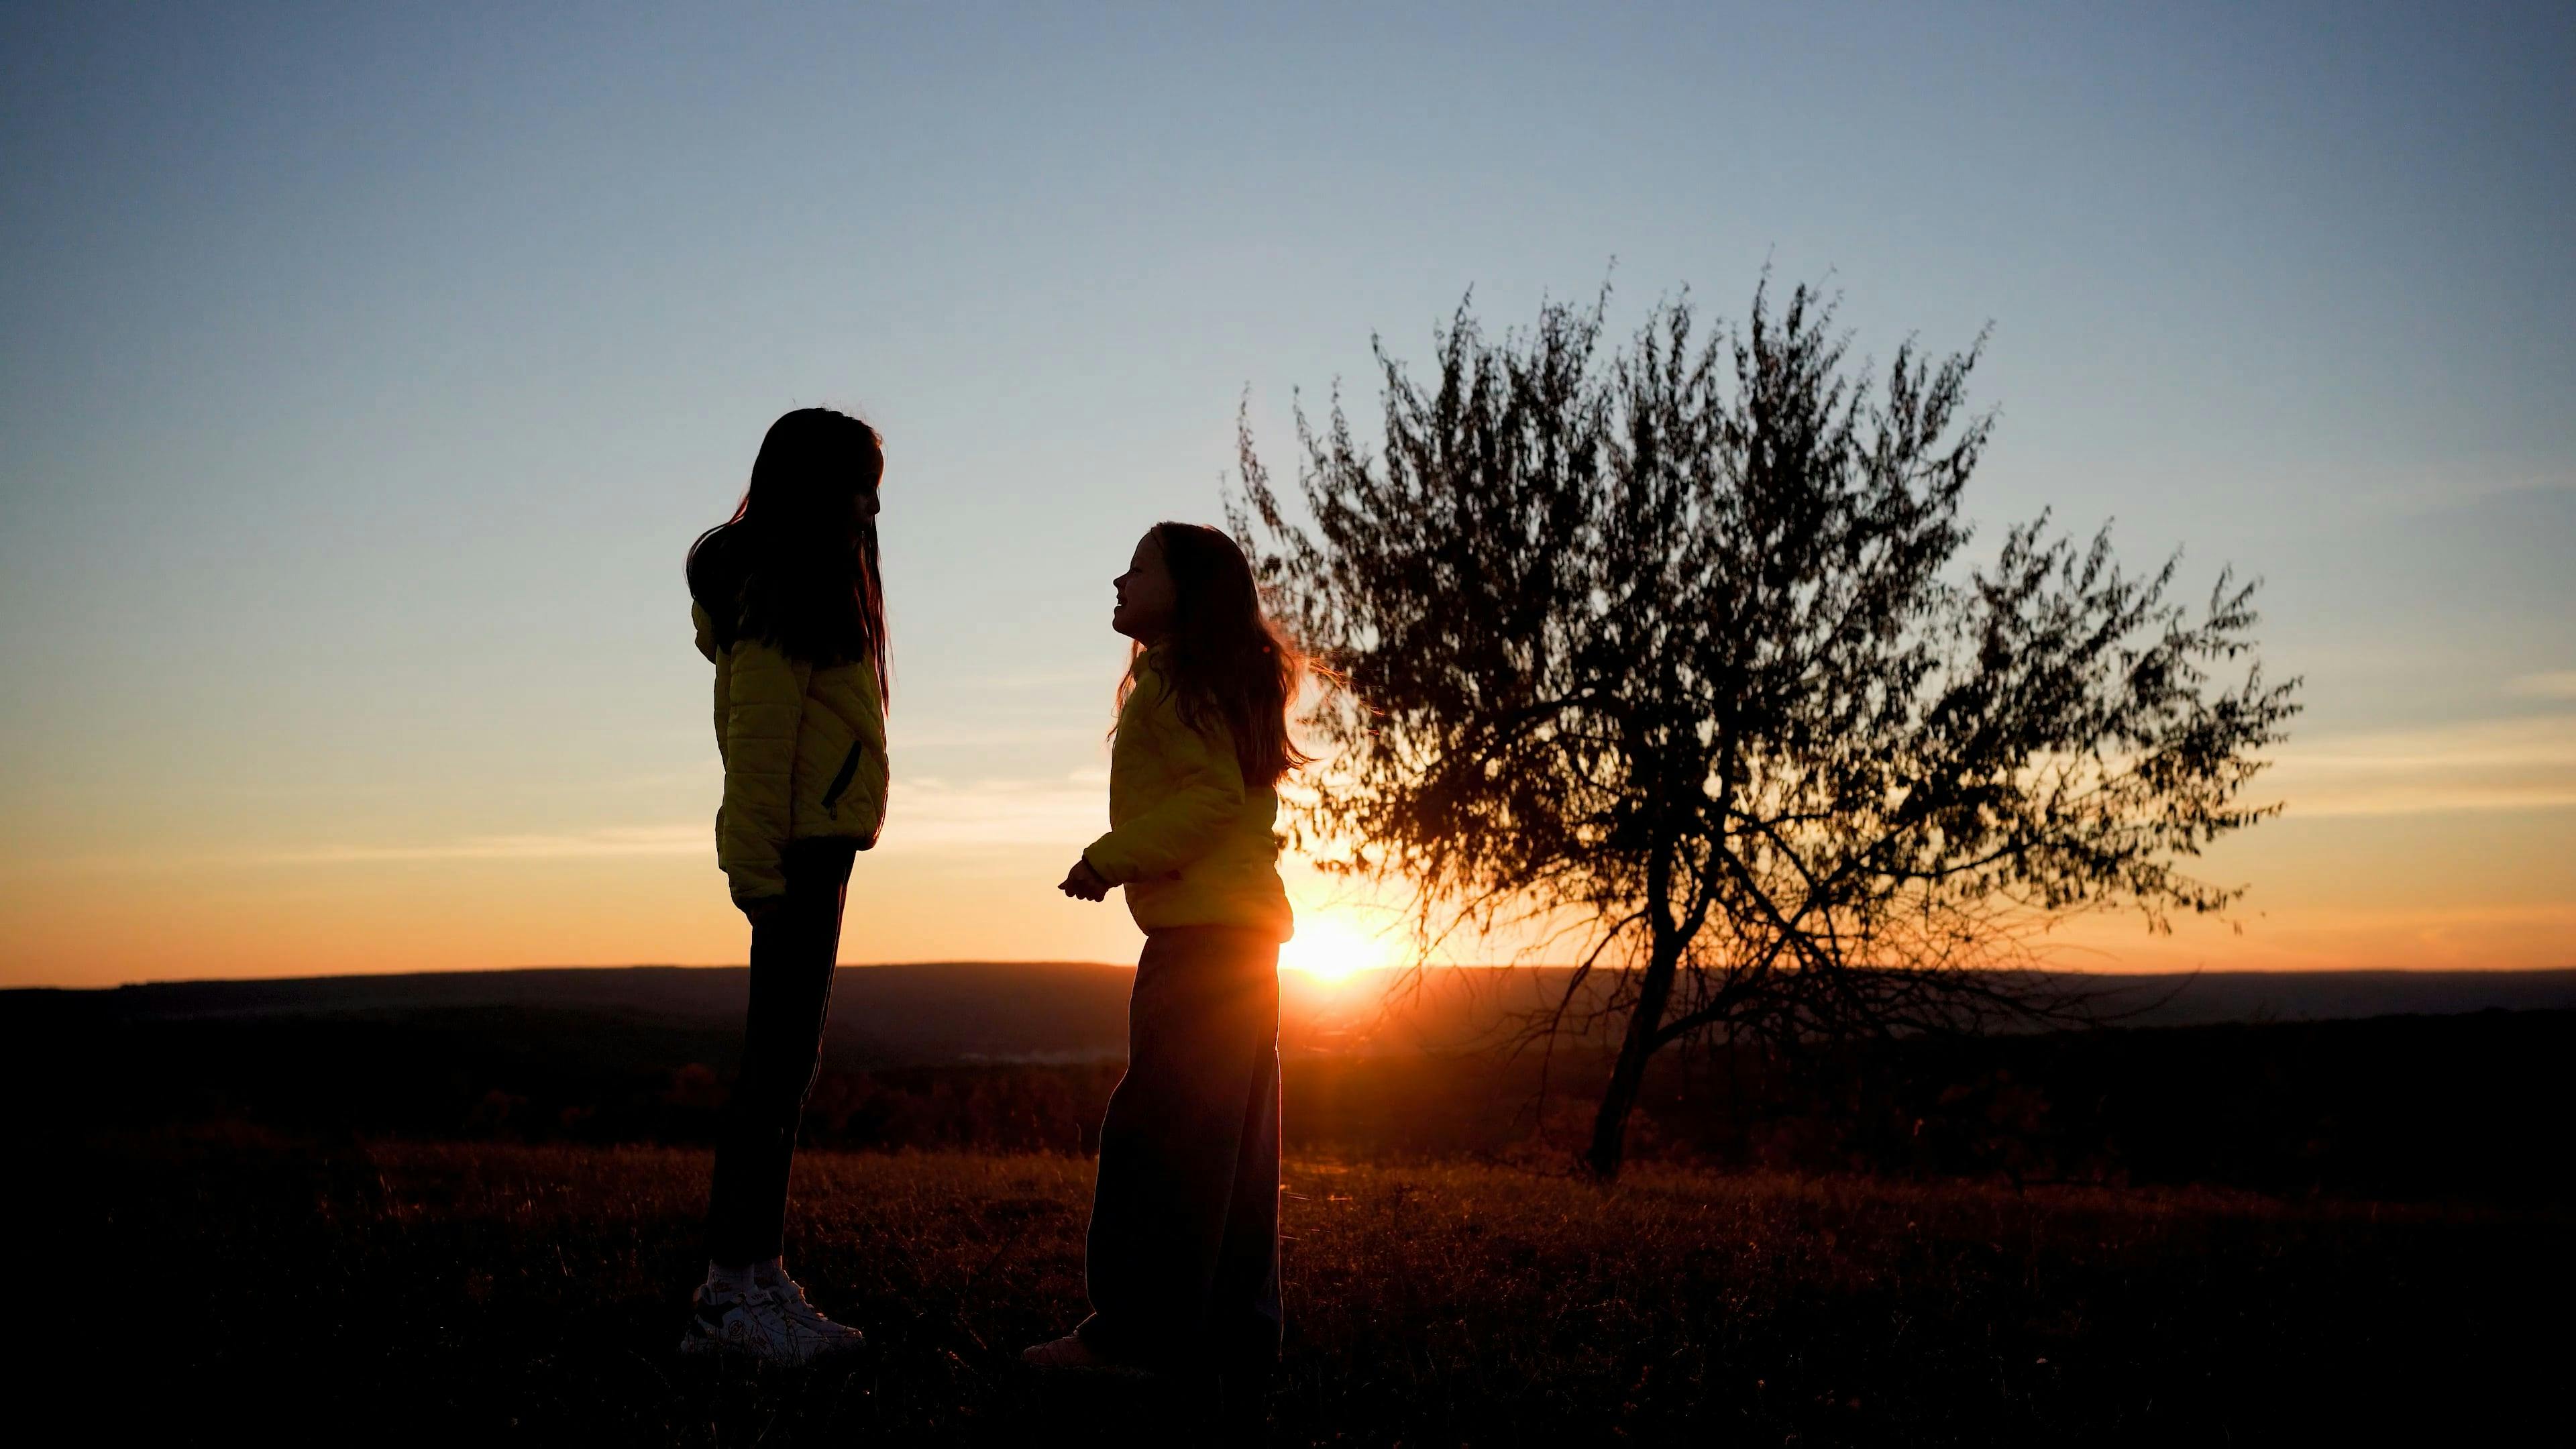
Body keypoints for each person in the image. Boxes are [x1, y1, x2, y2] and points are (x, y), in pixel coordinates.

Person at [1024, 521, 1306, 1389]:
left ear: (1185, 593)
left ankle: (1136, 1338)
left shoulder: (1179, 685)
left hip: (1200, 946)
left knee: (1162, 1138)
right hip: (1242, 943)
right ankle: (1232, 1339)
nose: (1119, 577)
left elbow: (1211, 800)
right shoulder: (1203, 683)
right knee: (1230, 1147)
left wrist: (1109, 859)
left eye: (1139, 567)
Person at [676, 407, 892, 1364]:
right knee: (774, 1074)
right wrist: (756, 870)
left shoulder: (812, 593)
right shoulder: (779, 601)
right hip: (796, 858)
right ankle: (730, 1296)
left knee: (787, 1070)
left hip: (818, 851)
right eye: (855, 482)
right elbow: (758, 755)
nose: (870, 504)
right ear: (812, 489)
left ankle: (758, 1278)